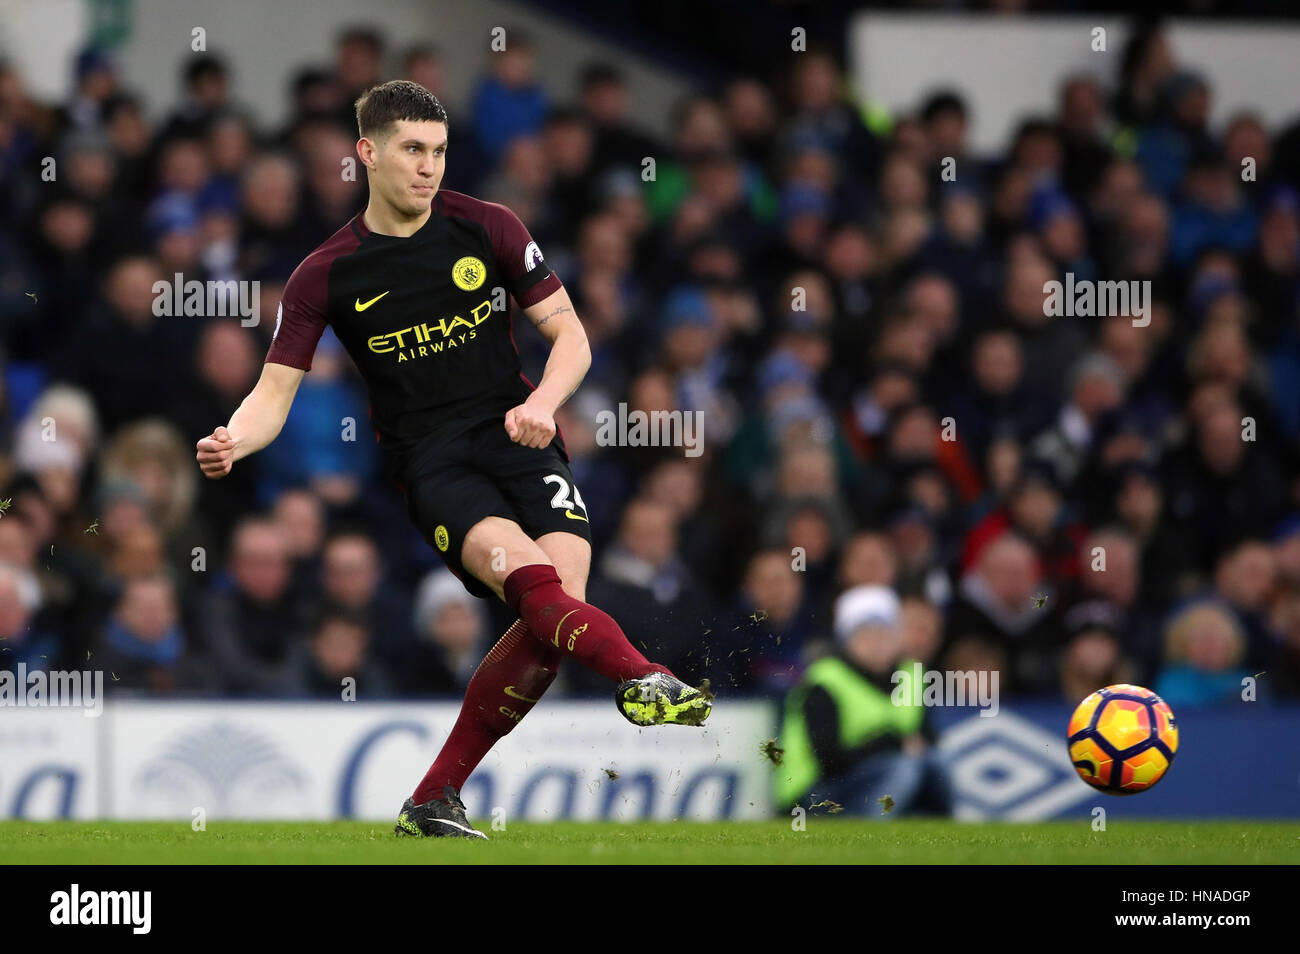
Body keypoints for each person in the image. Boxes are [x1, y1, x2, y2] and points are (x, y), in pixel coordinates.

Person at [194, 80, 710, 839]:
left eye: (438, 151)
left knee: (555, 615)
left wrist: (543, 405)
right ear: (367, 154)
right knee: (535, 587)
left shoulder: (489, 225)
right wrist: (234, 437)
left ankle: (433, 799)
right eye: (412, 150)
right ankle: (642, 677)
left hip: (521, 436)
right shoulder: (325, 274)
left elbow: (572, 338)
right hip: (434, 466)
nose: (428, 167)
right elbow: (273, 396)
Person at [775, 584, 951, 818]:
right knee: (901, 767)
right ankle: (866, 826)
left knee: (934, 761)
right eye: (866, 634)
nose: (876, 642)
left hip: (875, 778)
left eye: (884, 633)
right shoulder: (825, 679)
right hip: (816, 793)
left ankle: (937, 827)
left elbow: (926, 737)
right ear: (847, 640)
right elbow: (830, 762)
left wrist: (902, 746)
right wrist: (891, 743)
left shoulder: (911, 675)